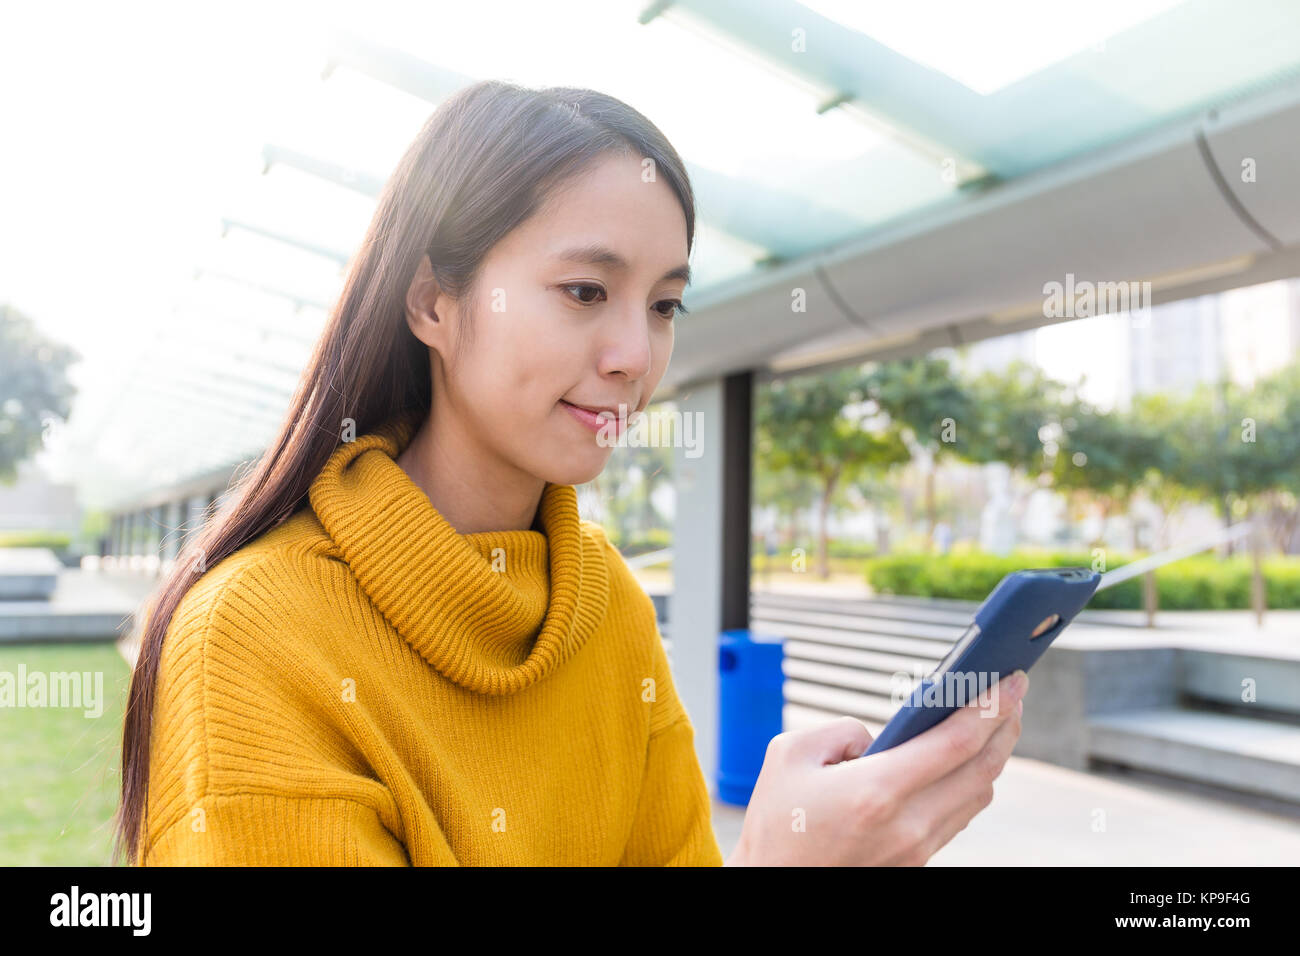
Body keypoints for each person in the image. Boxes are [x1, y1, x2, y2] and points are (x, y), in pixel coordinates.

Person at [114, 80, 1025, 867]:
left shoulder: (609, 608)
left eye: (665, 304)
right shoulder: (254, 635)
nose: (637, 353)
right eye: (586, 291)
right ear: (434, 301)